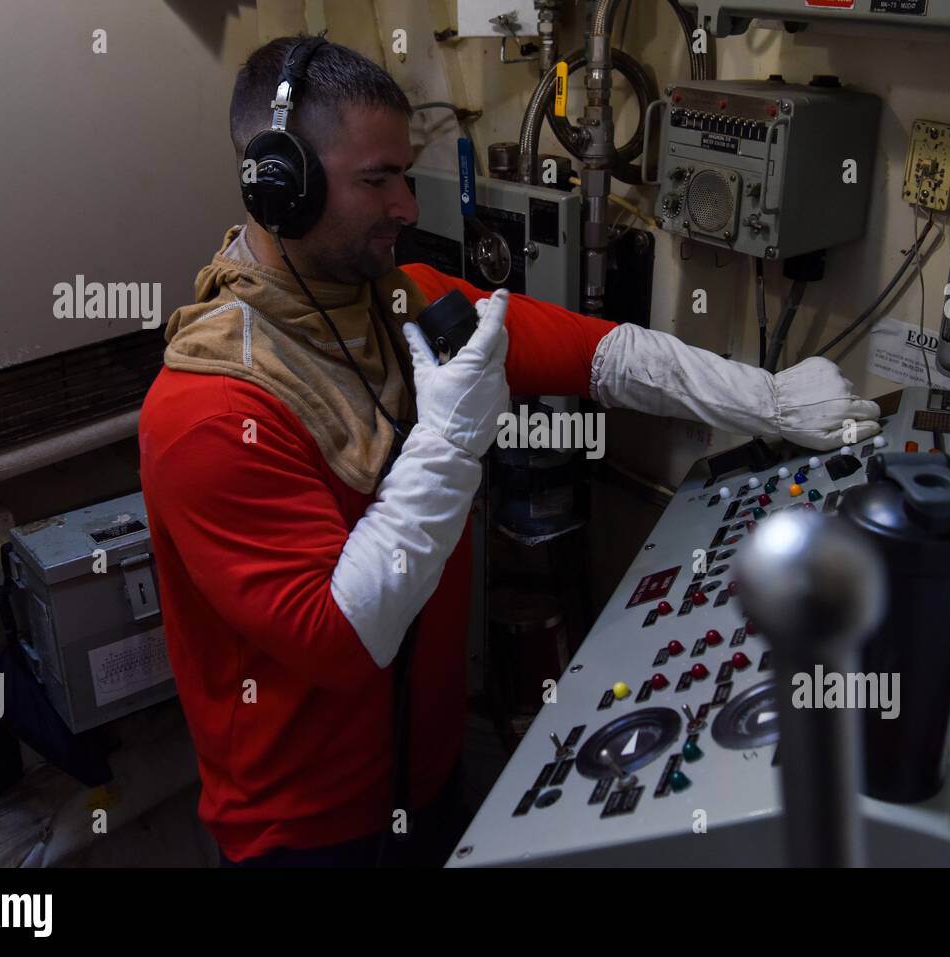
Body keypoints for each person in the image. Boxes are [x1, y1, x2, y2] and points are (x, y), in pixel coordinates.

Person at [137, 35, 881, 867]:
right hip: (306, 834)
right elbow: (343, 636)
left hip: (431, 779)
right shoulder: (211, 410)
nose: (406, 207)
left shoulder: (399, 304)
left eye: (403, 174)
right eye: (376, 180)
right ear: (283, 189)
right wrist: (450, 436)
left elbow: (607, 355)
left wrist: (767, 397)